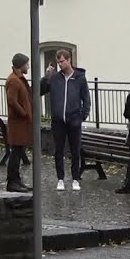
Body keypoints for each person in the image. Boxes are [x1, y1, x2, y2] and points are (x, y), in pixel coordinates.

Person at [42, 50, 91, 191]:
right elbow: (40, 90)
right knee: (58, 150)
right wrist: (47, 76)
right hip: (58, 121)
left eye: (62, 61)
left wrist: (82, 116)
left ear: (69, 60)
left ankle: (75, 178)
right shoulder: (55, 78)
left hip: (74, 120)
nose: (60, 64)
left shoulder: (79, 78)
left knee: (75, 150)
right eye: (58, 62)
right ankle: (60, 179)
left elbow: (86, 98)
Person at [4, 53, 35, 193]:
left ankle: (16, 180)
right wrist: (24, 113)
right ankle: (12, 181)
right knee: (15, 154)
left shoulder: (18, 79)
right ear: (21, 65)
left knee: (18, 152)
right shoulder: (14, 80)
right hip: (18, 123)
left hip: (21, 123)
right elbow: (12, 101)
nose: (28, 66)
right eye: (26, 64)